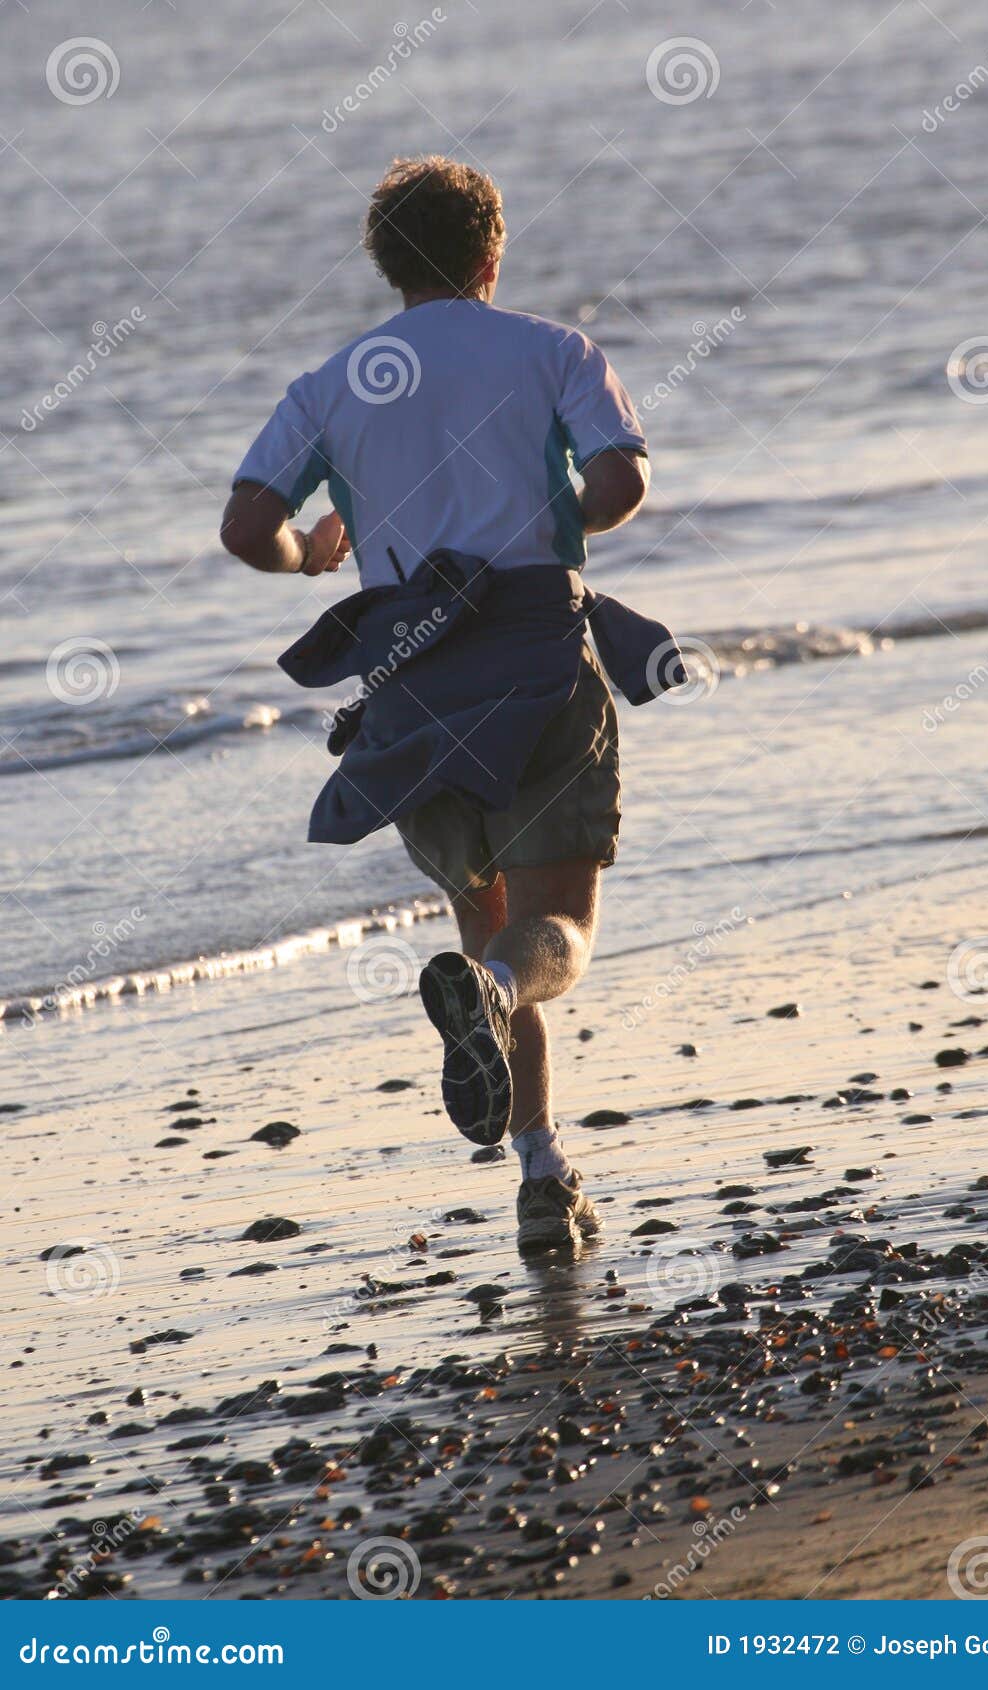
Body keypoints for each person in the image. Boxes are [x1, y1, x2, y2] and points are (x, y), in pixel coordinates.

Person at [221, 156, 683, 1252]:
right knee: (551, 934)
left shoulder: (329, 384)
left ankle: (539, 1169)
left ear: (387, 267)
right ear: (491, 255)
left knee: (488, 922)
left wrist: (310, 554)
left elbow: (248, 528)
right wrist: (552, 519)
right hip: (533, 661)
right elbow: (619, 484)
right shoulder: (551, 349)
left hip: (411, 680)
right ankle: (492, 1017)